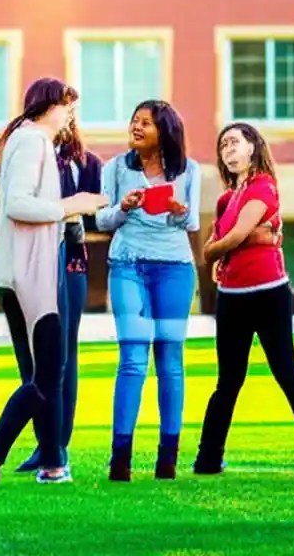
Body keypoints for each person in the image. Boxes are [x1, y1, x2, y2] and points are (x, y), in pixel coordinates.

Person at [0, 78, 107, 487]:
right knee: (48, 376)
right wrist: (73, 205)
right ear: (49, 105)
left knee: (47, 372)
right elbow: (18, 205)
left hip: (26, 273)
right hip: (29, 277)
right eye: (67, 106)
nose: (70, 115)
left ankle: (52, 463)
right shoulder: (33, 141)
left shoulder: (24, 139)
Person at [194, 122, 294, 474]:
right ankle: (208, 458)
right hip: (231, 297)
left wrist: (236, 241)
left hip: (269, 294)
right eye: (223, 144)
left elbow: (231, 237)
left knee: (286, 372)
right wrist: (248, 239)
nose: (228, 149)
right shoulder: (225, 199)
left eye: (235, 142)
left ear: (253, 146)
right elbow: (208, 251)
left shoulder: (264, 187)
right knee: (228, 381)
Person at [96, 100, 202, 482]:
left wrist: (176, 207)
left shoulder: (189, 170)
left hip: (174, 269)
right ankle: (120, 459)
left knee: (170, 361)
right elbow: (102, 218)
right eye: (134, 121)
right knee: (133, 358)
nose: (136, 127)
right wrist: (123, 207)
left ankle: (167, 460)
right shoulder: (114, 169)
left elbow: (190, 221)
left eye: (146, 123)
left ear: (165, 131)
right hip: (127, 266)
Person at [16, 111, 104, 474]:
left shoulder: (86, 163)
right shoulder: (28, 154)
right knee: (33, 358)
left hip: (69, 263)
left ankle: (58, 445)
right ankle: (44, 442)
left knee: (64, 353)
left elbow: (97, 214)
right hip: (34, 261)